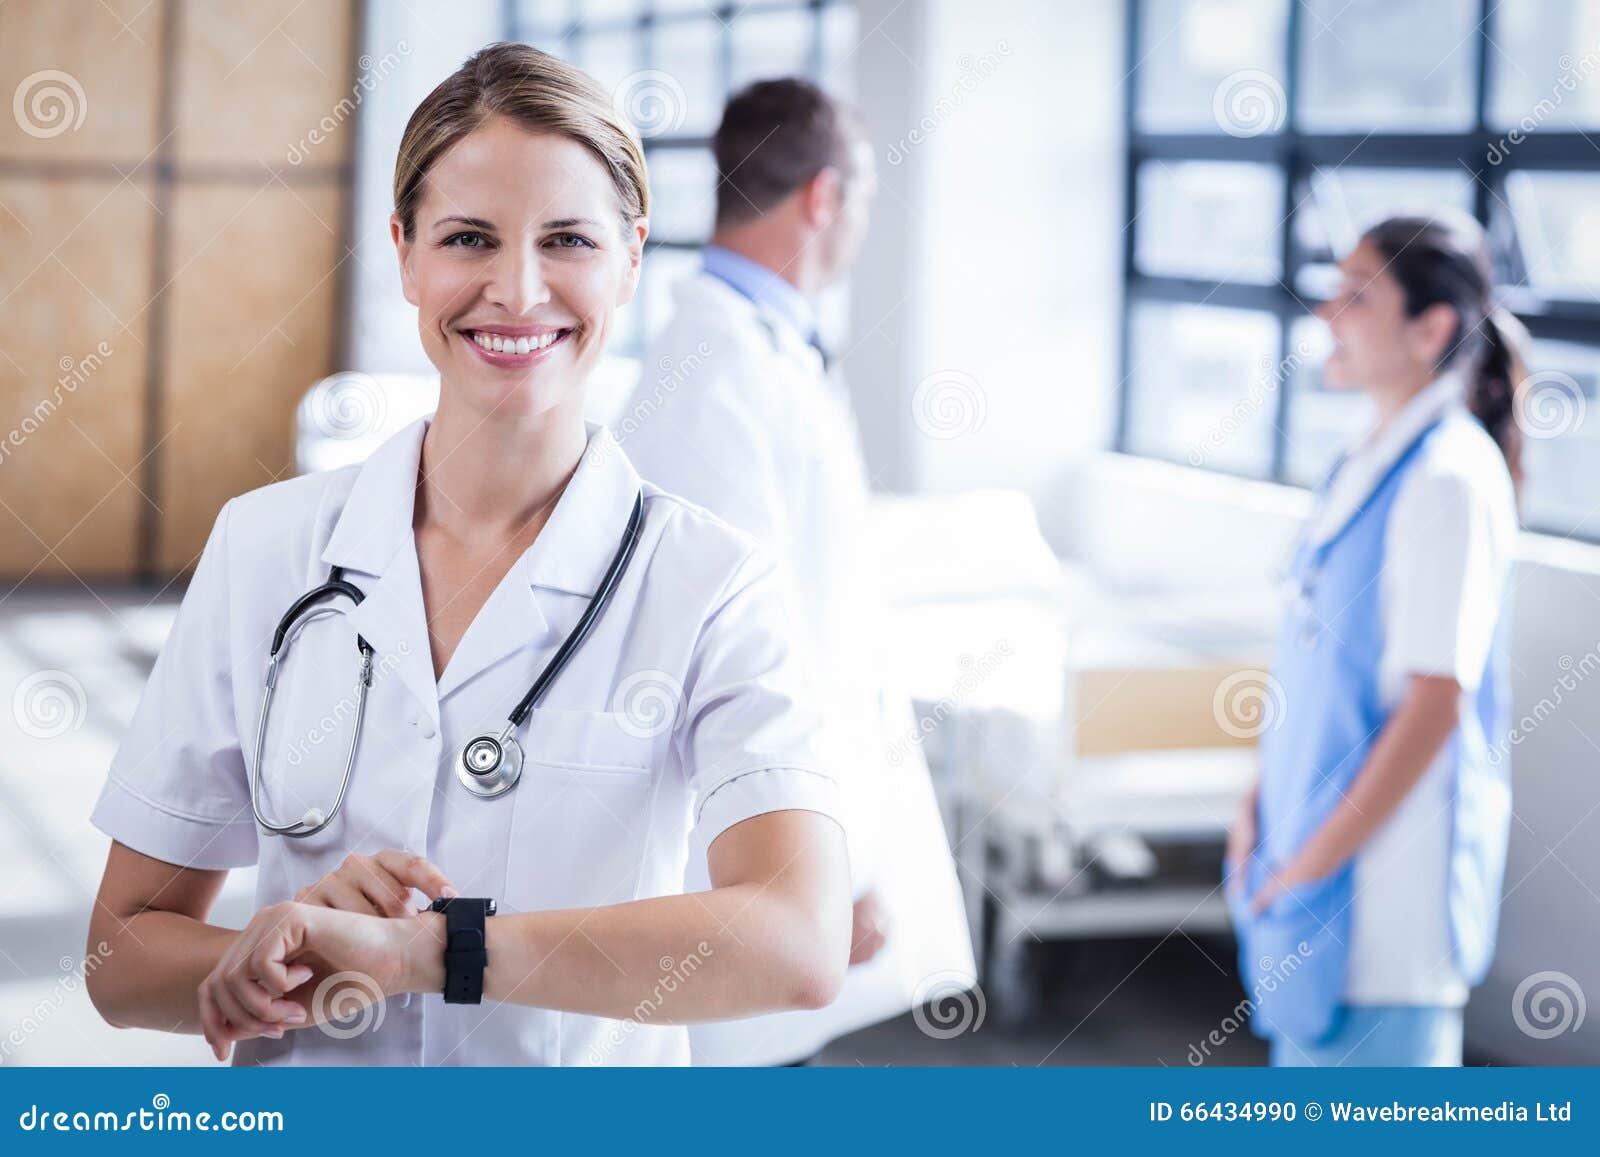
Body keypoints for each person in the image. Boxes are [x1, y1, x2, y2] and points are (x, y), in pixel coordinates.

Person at [84, 43, 853, 1067]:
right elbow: (118, 956)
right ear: (404, 254)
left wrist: (427, 951)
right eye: (468, 238)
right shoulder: (265, 547)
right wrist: (264, 958)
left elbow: (798, 941)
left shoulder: (712, 582)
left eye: (568, 239)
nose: (517, 289)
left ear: (631, 256)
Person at [618, 78, 974, 1066]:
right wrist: (828, 866)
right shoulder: (716, 377)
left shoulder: (762, 352)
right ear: (824, 197)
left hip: (776, 860)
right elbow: (748, 664)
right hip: (758, 866)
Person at [1225, 212, 1520, 1067]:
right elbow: (1311, 668)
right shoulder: (1363, 461)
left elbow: (1434, 703)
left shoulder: (1449, 481)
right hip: (1304, 868)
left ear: (1430, 328)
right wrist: (1259, 811)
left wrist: (1308, 863)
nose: (1327, 313)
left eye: (1357, 294)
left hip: (1383, 898)